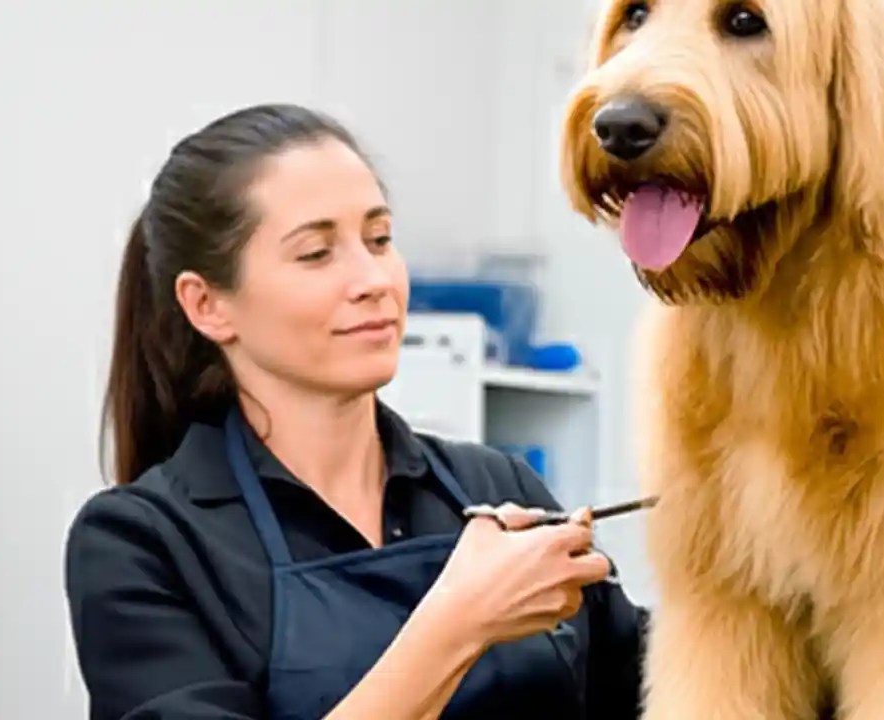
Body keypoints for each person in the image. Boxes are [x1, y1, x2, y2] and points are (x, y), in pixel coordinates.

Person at [63, 103, 648, 720]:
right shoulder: (142, 544)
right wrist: (457, 626)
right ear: (208, 304)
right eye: (317, 253)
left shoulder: (496, 486)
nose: (374, 279)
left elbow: (664, 687)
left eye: (379, 240)